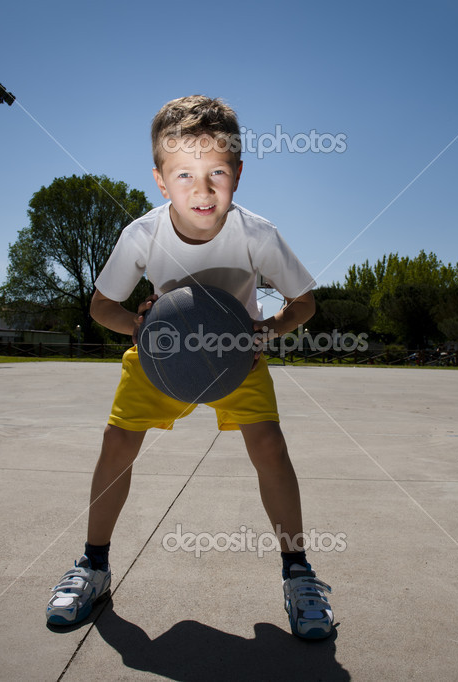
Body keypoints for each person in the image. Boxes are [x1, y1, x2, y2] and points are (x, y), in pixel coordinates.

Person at [45, 95, 334, 640]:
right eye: (184, 175)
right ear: (160, 180)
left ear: (238, 174)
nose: (202, 190)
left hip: (236, 358)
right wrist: (140, 325)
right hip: (162, 357)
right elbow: (101, 306)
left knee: (270, 447)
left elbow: (305, 302)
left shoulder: (257, 234)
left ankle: (299, 573)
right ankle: (93, 564)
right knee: (116, 442)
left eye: (216, 173)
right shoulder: (143, 234)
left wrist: (266, 331)